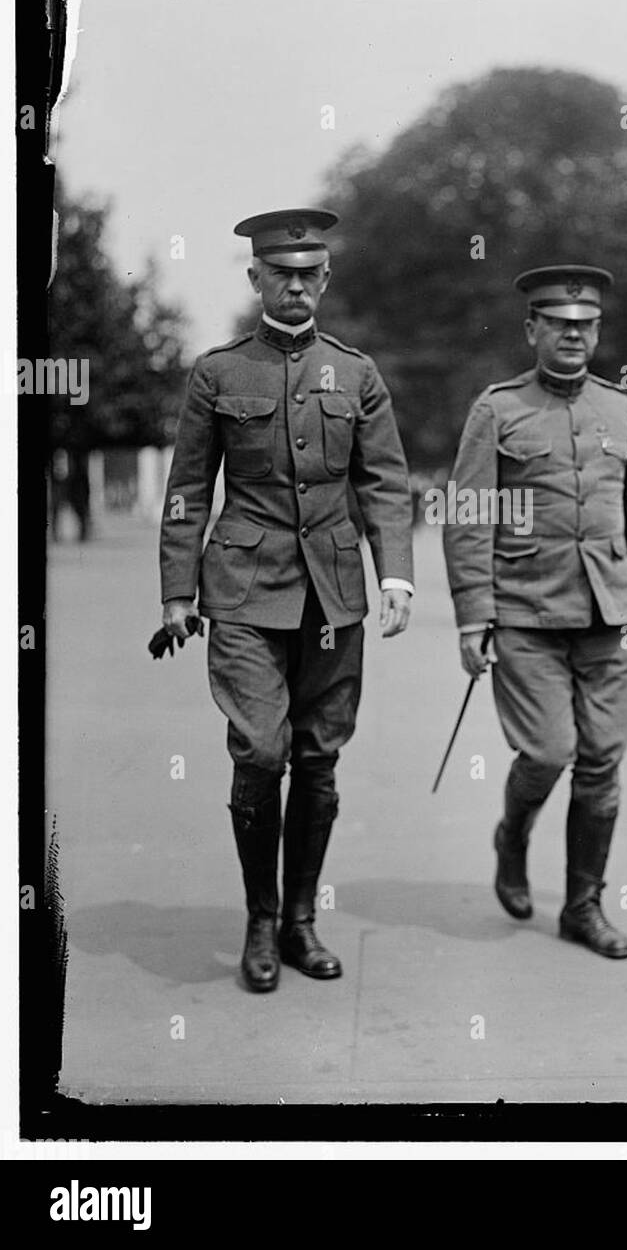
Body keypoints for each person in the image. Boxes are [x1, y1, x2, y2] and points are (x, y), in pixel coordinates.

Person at [159, 209, 414, 992]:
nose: (296, 286)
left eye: (310, 274)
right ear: (256, 279)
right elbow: (188, 491)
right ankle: (260, 920)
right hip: (240, 593)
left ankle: (302, 919)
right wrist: (177, 592)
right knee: (260, 752)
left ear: (325, 280)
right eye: (281, 274)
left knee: (318, 758)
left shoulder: (357, 374)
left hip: (333, 597)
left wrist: (395, 575)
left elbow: (385, 484)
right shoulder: (218, 373)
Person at [442, 265, 627, 959]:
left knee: (603, 761)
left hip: (608, 615)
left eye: (586, 326)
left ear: (598, 332)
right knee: (550, 751)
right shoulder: (497, 409)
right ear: (532, 330)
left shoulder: (618, 409)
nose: (575, 336)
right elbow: (466, 519)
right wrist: (472, 615)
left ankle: (583, 906)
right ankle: (513, 833)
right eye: (560, 325)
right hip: (525, 614)